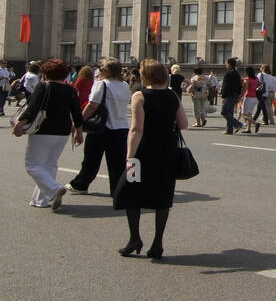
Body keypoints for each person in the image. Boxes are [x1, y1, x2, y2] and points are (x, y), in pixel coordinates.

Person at [115, 59, 188, 260]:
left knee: (131, 193)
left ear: (144, 75)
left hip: (142, 152)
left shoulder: (140, 95)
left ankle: (134, 239)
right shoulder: (172, 95)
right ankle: (158, 243)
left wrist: (129, 157)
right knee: (162, 197)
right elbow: (183, 124)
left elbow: (136, 129)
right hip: (167, 152)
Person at [14, 59, 84, 209]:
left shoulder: (43, 86)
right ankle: (41, 200)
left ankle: (54, 189)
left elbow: (32, 108)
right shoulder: (70, 90)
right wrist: (79, 132)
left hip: (43, 130)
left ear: (45, 73)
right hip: (63, 132)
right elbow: (77, 113)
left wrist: (19, 124)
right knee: (49, 164)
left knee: (32, 165)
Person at [62, 59, 131, 203]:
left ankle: (80, 184)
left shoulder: (101, 84)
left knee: (91, 159)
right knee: (117, 162)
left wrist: (78, 122)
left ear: (107, 71)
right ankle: (118, 190)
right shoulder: (125, 85)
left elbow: (92, 105)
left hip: (102, 127)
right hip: (121, 126)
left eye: (101, 68)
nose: (99, 70)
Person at [219, 59, 243, 135]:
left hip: (229, 95)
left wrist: (224, 96)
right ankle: (229, 130)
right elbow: (240, 86)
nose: (226, 65)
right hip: (235, 94)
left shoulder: (228, 74)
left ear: (229, 64)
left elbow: (226, 86)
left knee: (224, 112)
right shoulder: (237, 73)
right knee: (230, 112)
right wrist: (239, 95)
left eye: (226, 63)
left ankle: (237, 124)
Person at [241, 66, 260, 133]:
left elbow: (245, 89)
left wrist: (241, 96)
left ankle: (255, 123)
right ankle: (248, 129)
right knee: (249, 114)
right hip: (255, 97)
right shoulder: (256, 78)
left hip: (248, 97)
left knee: (243, 114)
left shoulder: (247, 79)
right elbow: (258, 86)